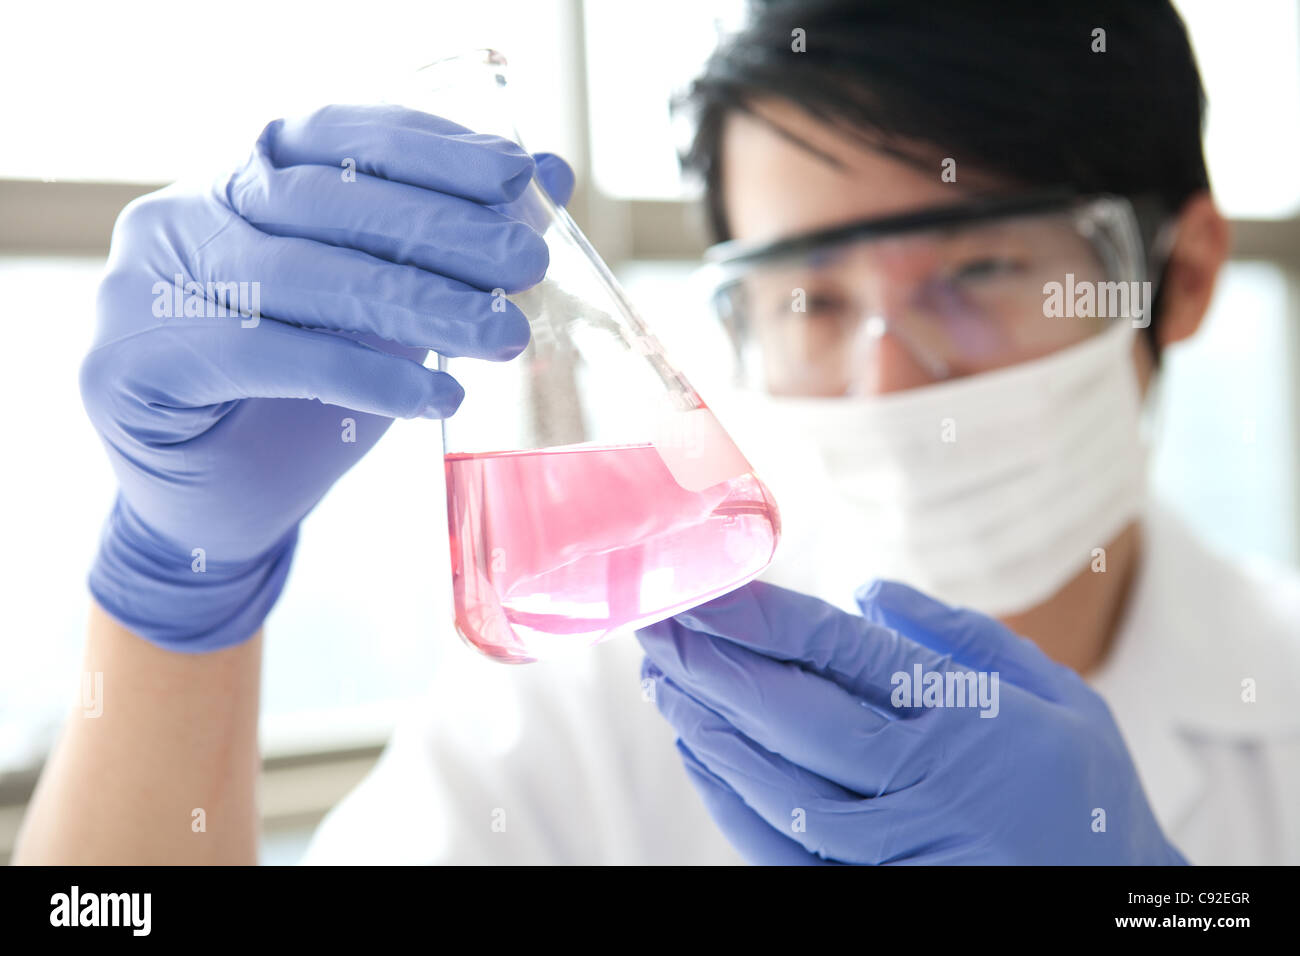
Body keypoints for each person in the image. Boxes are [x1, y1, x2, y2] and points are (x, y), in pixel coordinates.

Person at [14, 0, 1299, 865]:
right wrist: (176, 590)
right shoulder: (589, 710)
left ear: (1178, 279)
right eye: (808, 295)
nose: (884, 374)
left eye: (976, 275)